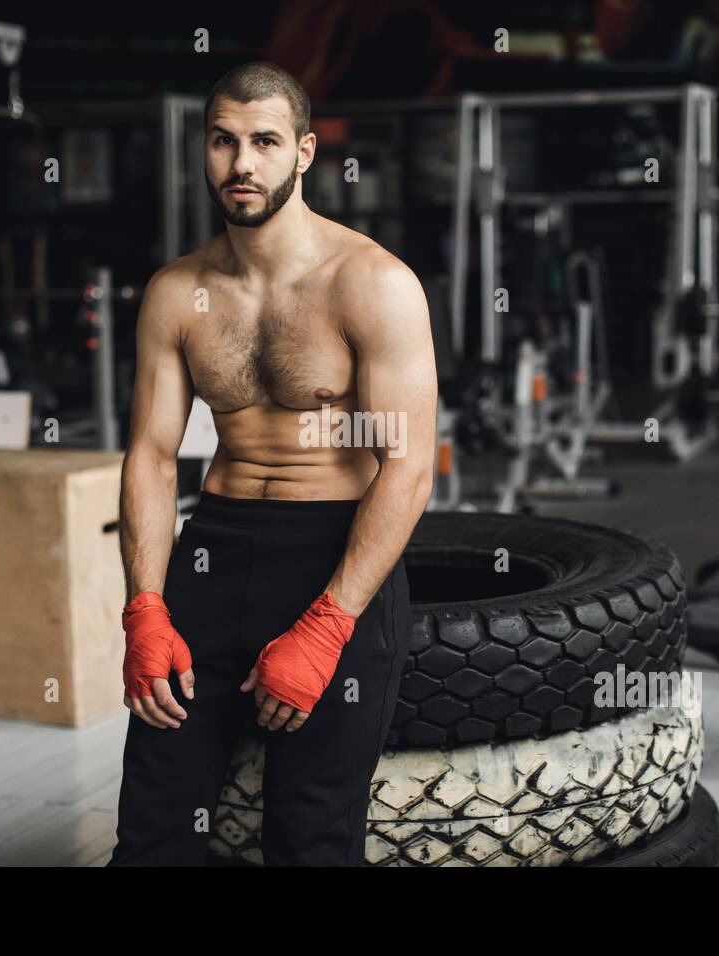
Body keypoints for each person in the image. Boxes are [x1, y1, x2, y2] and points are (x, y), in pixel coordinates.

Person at [107, 61, 437, 866]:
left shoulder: (373, 284)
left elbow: (410, 466)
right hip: (216, 551)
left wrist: (329, 626)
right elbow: (151, 455)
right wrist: (145, 607)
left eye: (263, 142)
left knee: (310, 838)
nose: (241, 164)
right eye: (223, 141)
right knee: (152, 828)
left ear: (305, 152)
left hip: (336, 557)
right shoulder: (176, 291)